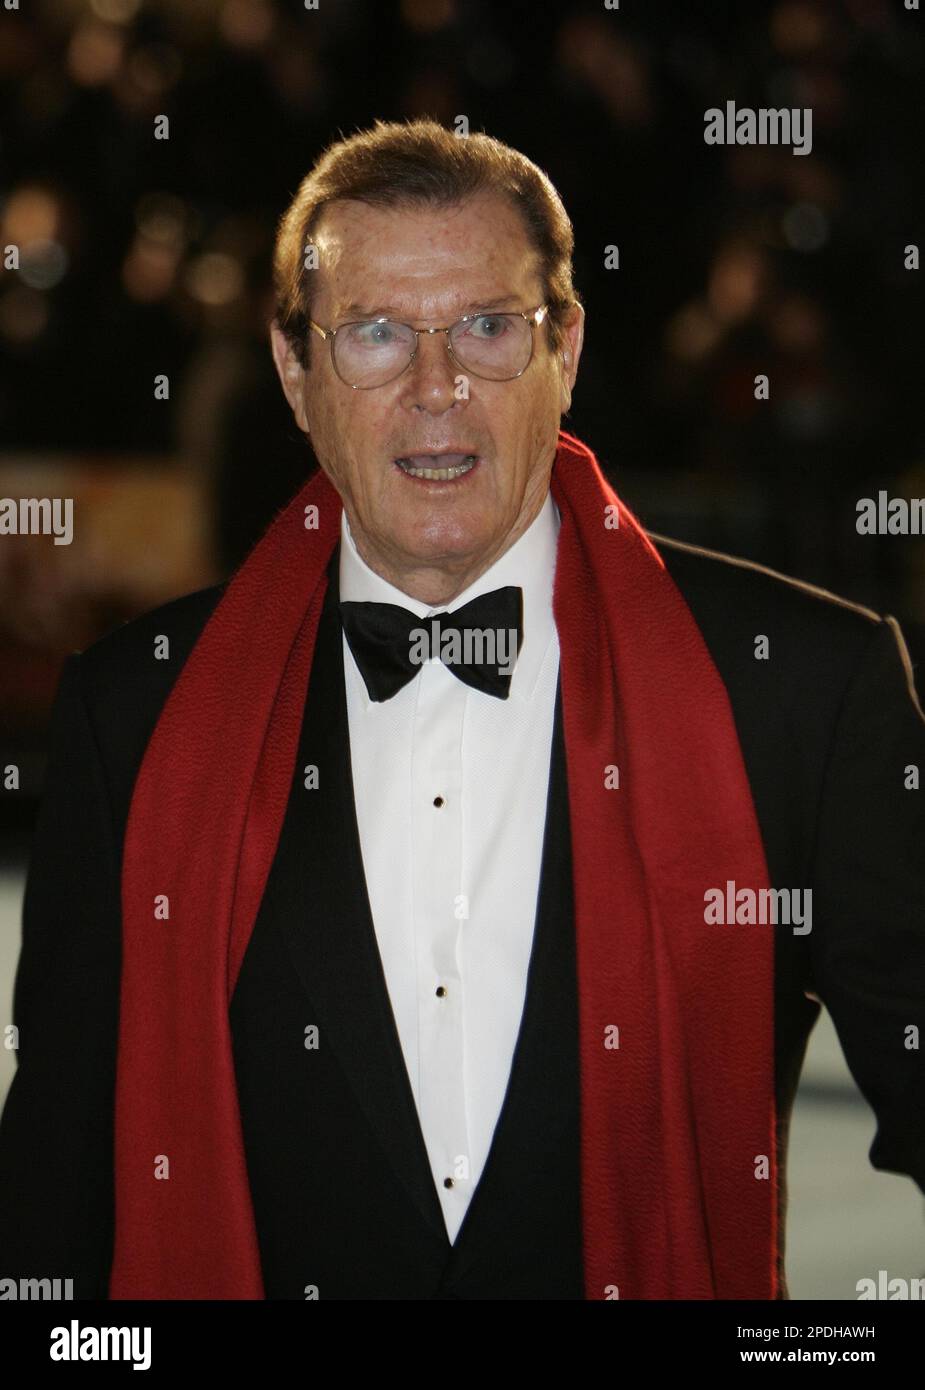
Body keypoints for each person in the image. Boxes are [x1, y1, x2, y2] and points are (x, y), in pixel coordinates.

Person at [1, 119, 923, 1302]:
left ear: (567, 349)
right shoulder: (131, 711)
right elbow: (51, 1202)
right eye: (376, 335)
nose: (437, 391)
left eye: (488, 327)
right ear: (294, 372)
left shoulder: (802, 687)